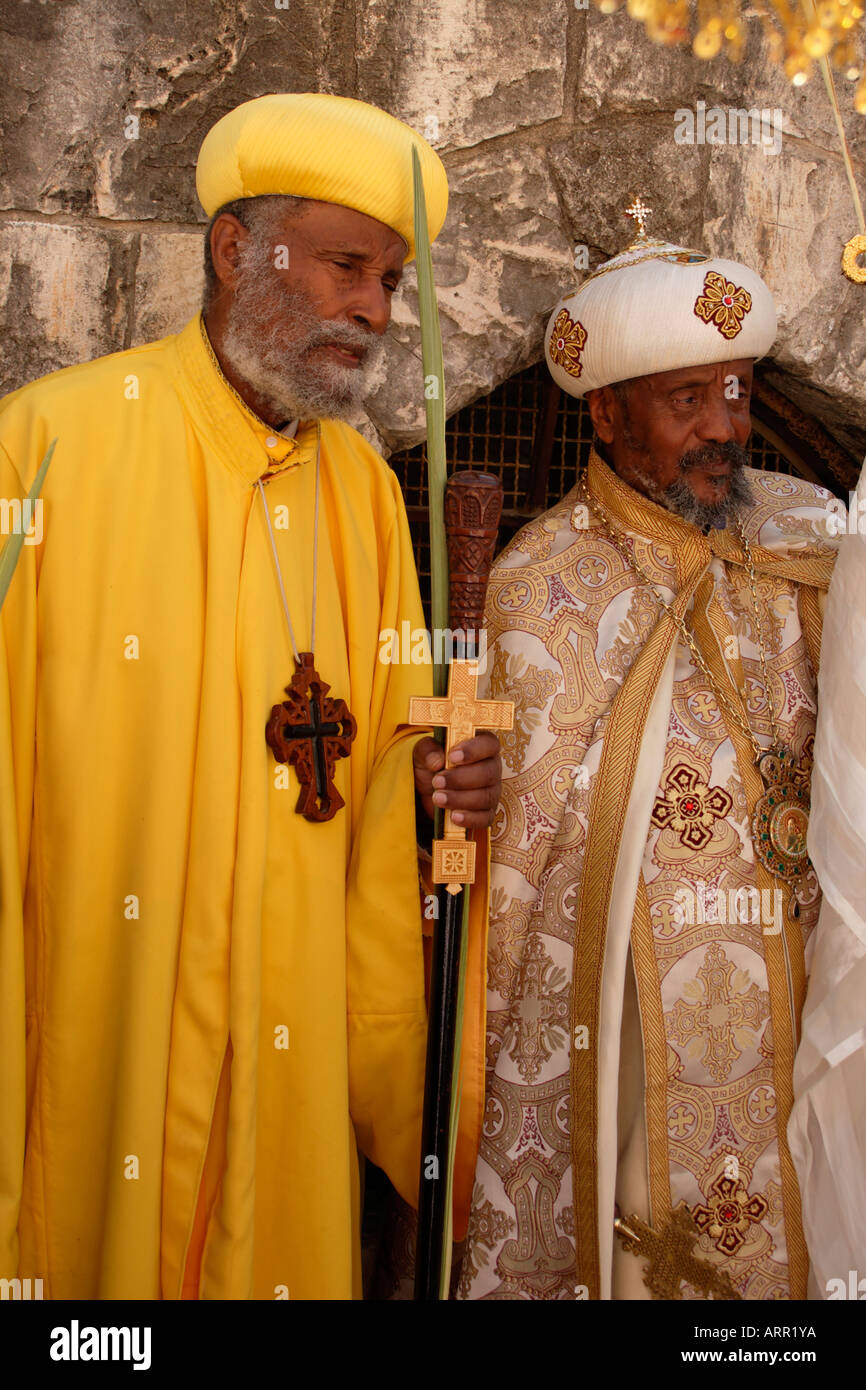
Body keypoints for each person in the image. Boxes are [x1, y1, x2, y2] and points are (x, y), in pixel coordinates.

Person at [0, 92, 500, 1301]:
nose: (375, 309)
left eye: (388, 280)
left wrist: (424, 786)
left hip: (283, 1028)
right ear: (236, 250)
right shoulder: (45, 446)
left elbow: (384, 750)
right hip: (95, 1004)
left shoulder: (366, 492)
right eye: (345, 266)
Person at [458, 202, 838, 1301]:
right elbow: (519, 877)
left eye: (737, 392)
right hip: (625, 1030)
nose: (725, 427)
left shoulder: (806, 535)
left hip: (801, 999)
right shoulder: (538, 586)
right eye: (685, 400)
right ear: (609, 414)